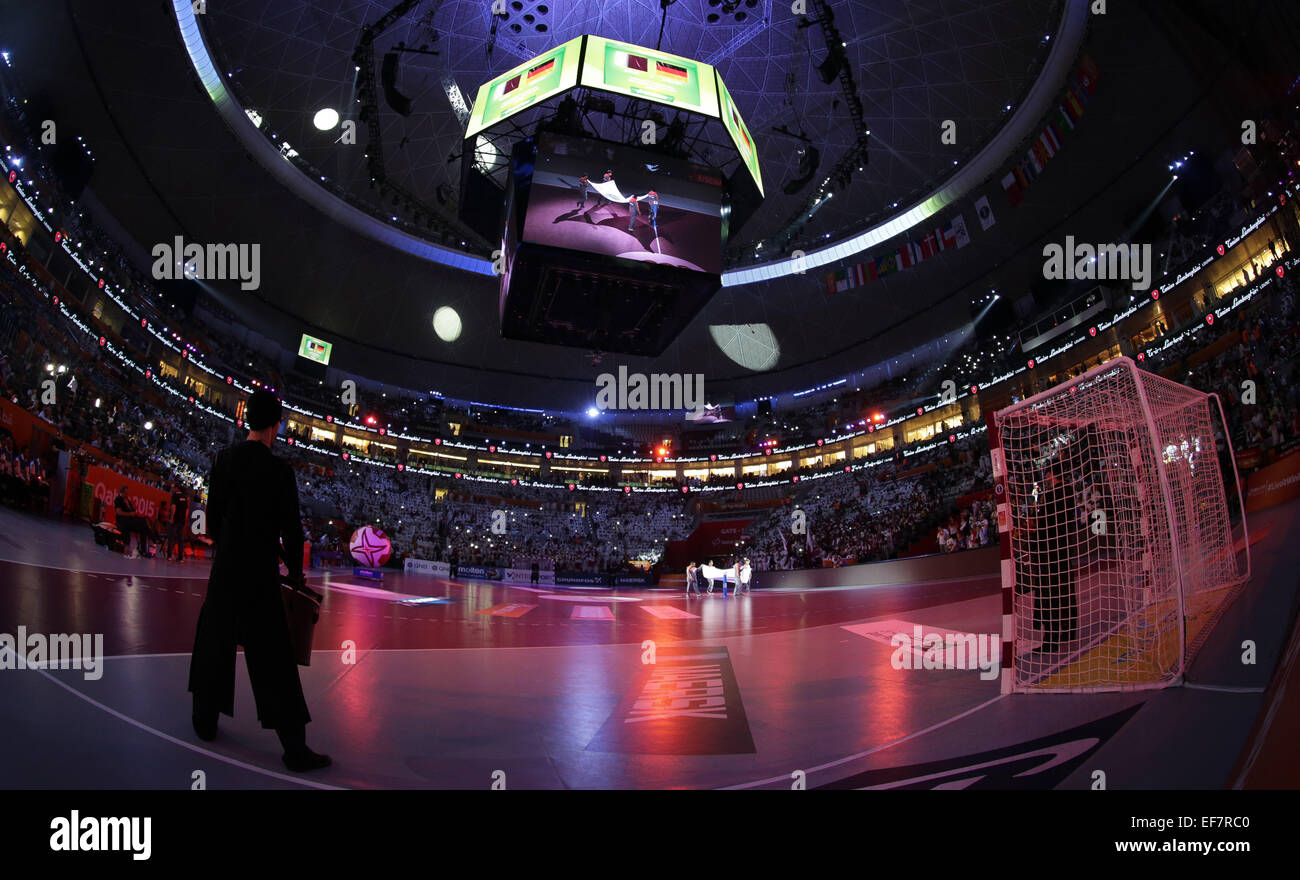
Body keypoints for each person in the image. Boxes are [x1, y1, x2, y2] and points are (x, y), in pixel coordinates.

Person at [188, 389, 329, 772]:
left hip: (226, 569)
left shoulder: (223, 460)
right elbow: (292, 530)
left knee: (213, 641)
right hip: (259, 574)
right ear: (276, 424)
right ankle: (294, 749)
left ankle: (204, 720)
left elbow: (214, 521)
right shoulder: (279, 471)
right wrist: (296, 574)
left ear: (247, 418)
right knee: (274, 659)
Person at [167, 483, 189, 561]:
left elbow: (173, 507)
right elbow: (187, 510)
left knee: (171, 538)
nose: (172, 489)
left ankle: (169, 556)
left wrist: (172, 518)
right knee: (180, 540)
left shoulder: (175, 496)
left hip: (175, 520)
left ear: (177, 488)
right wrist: (185, 520)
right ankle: (180, 557)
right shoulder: (185, 497)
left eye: (173, 488)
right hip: (182, 521)